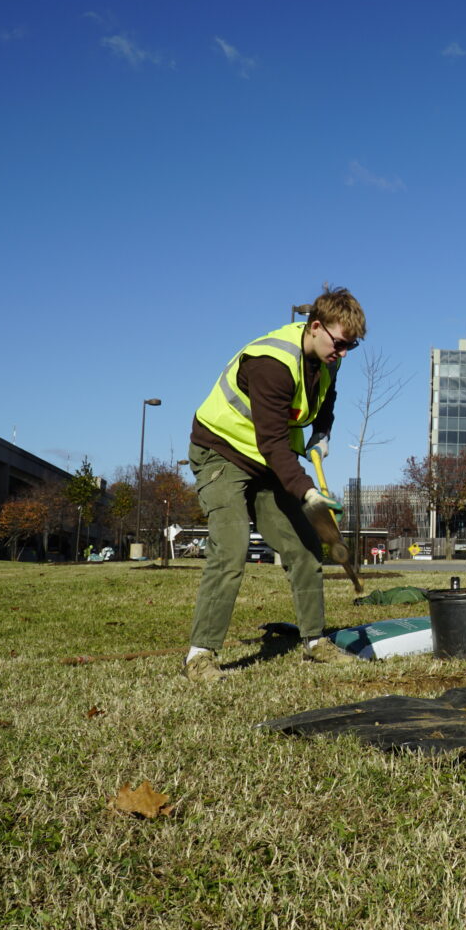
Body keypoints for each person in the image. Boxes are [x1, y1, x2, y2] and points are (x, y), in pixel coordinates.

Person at [182, 285, 365, 683]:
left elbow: (326, 398)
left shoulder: (328, 357)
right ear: (315, 327)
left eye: (351, 346)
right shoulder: (272, 364)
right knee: (231, 549)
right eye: (340, 343)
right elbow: (273, 442)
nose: (344, 353)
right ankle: (200, 656)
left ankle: (315, 643)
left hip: (268, 464)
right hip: (222, 453)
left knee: (304, 549)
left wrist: (323, 431)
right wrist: (308, 491)